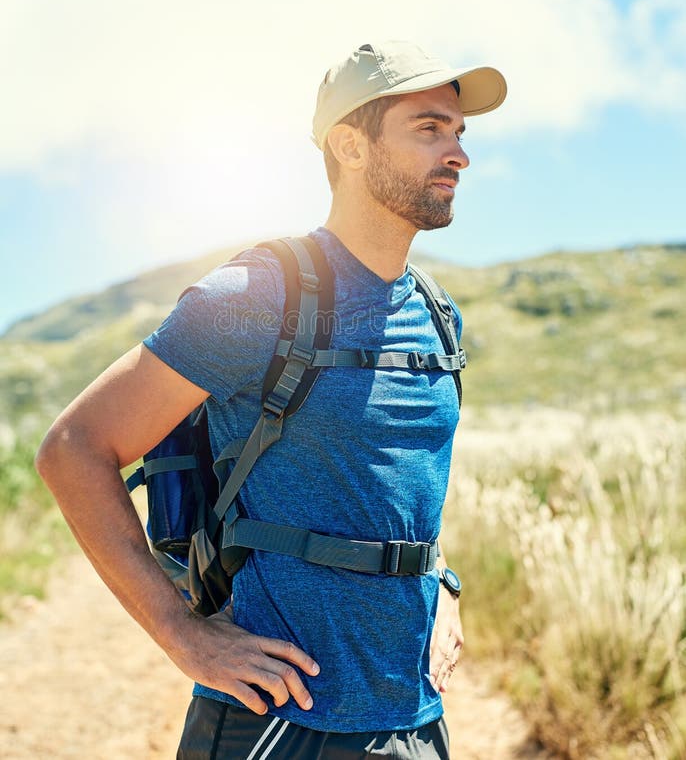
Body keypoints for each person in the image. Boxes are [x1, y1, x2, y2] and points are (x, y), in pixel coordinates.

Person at [36, 40, 507, 759]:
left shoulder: (439, 315)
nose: (458, 155)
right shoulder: (259, 296)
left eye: (458, 133)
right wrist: (182, 634)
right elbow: (73, 450)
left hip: (413, 714)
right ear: (349, 145)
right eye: (429, 129)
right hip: (279, 722)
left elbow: (397, 491)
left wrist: (441, 581)